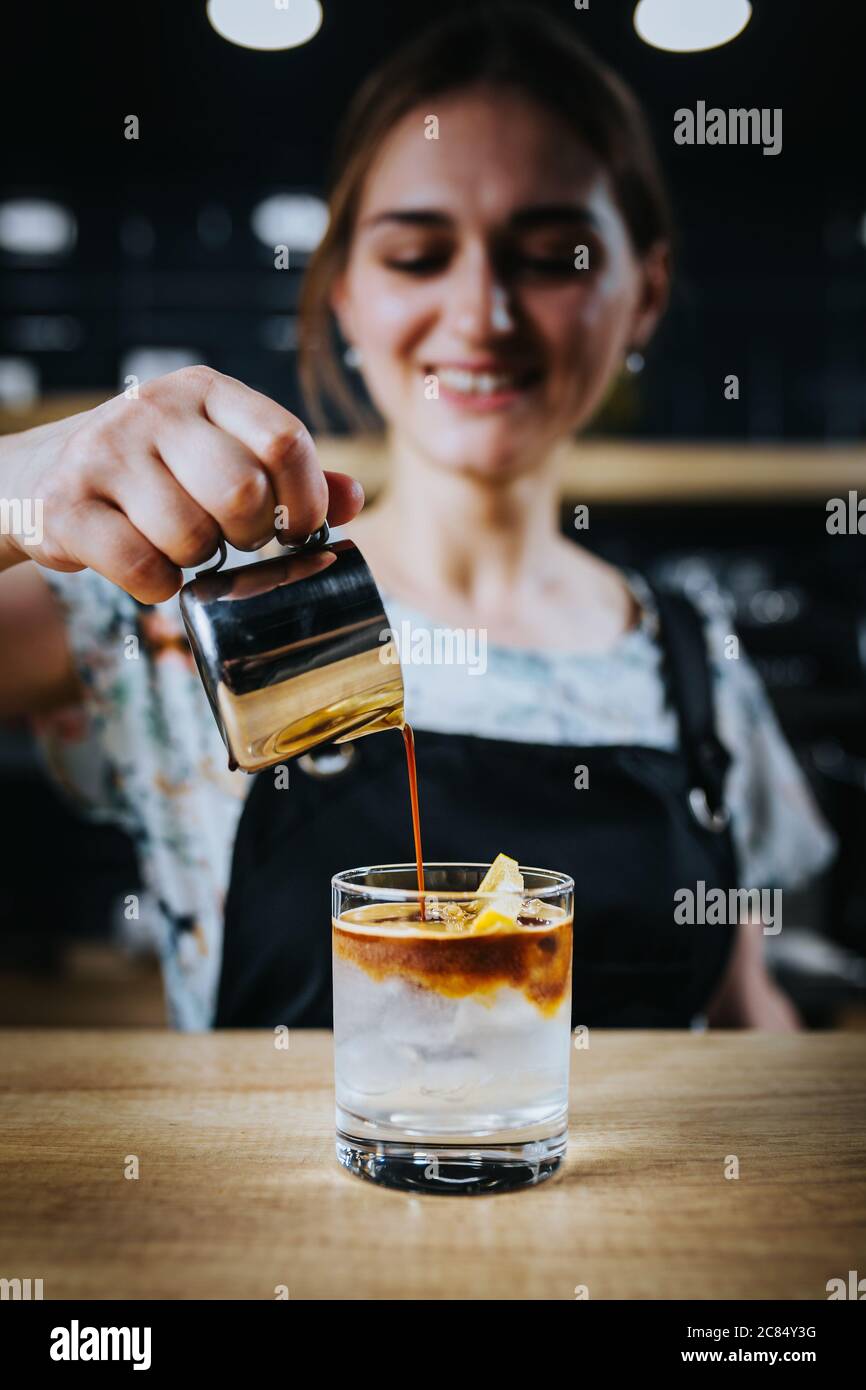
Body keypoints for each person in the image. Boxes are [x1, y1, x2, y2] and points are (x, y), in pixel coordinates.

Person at [0, 5, 834, 1031]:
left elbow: (745, 1013)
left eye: (549, 254)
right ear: (344, 292)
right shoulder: (163, 606)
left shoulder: (696, 661)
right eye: (415, 255)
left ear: (644, 292)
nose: (481, 312)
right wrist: (18, 487)